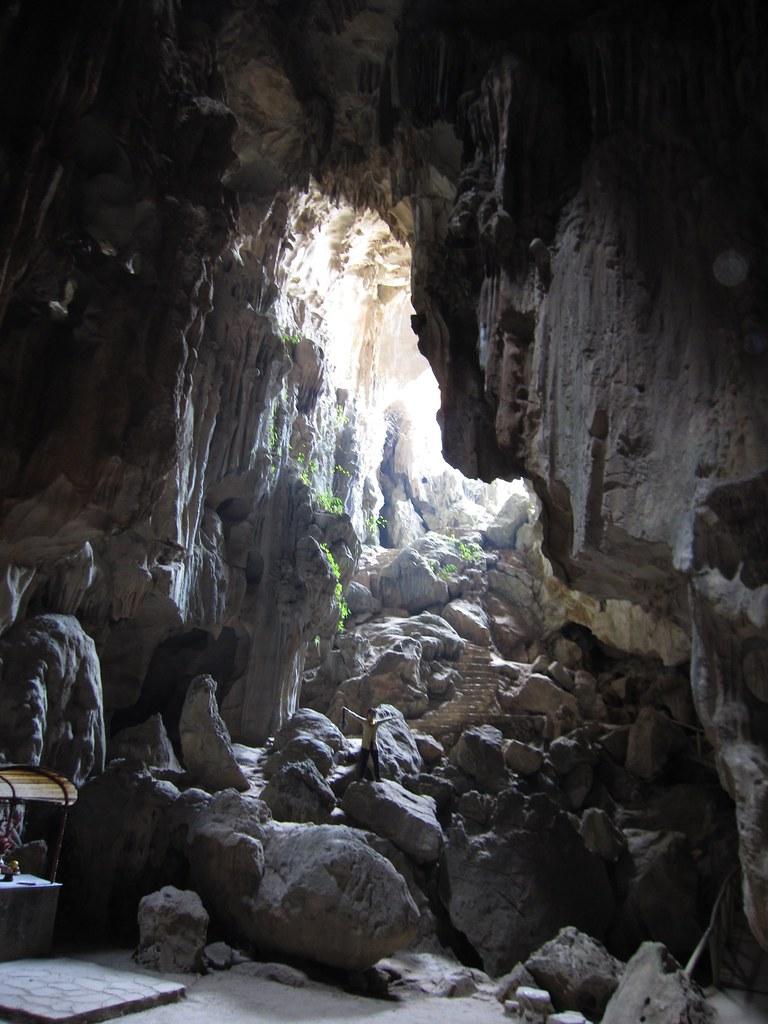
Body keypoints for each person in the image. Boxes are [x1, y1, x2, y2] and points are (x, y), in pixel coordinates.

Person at [341, 705, 397, 782]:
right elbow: (355, 716)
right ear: (368, 715)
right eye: (371, 715)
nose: (372, 716)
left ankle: (377, 778)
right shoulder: (364, 722)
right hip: (365, 746)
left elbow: (384, 720)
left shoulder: (376, 723)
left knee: (376, 762)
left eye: (373, 715)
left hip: (373, 746)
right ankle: (361, 777)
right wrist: (347, 711)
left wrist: (392, 717)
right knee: (363, 762)